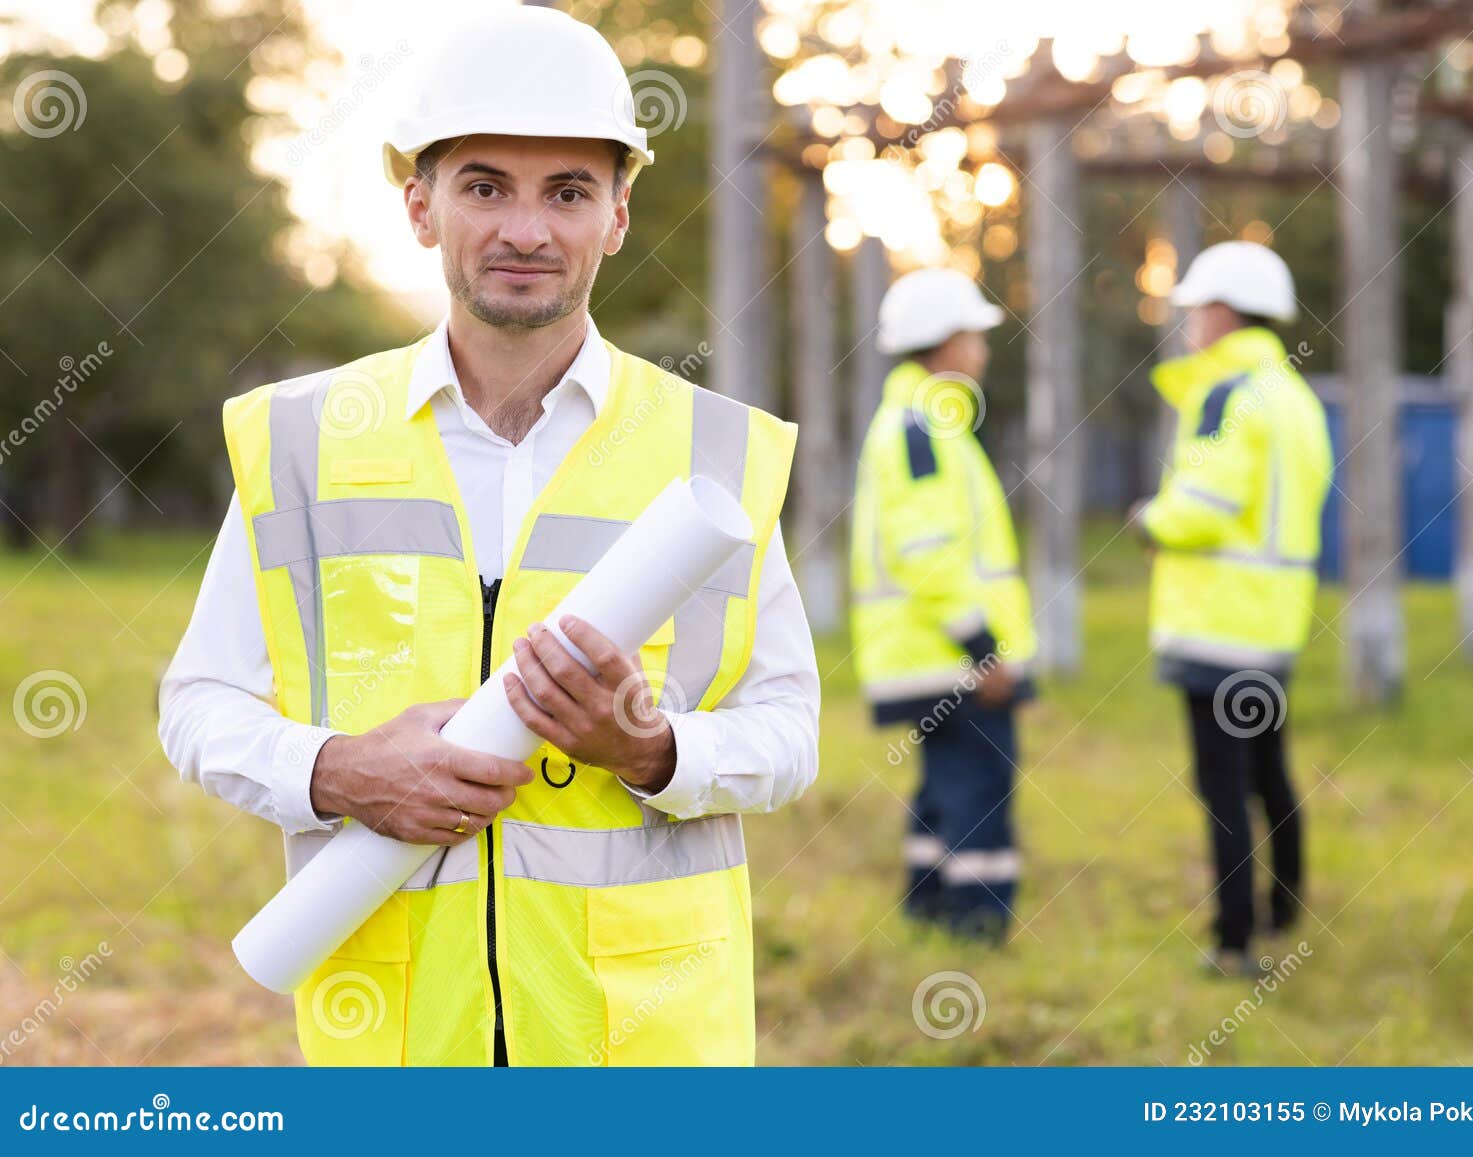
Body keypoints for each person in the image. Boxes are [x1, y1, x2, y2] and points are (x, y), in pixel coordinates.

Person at [158, 7, 819, 1066]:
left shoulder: (715, 456)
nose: (526, 230)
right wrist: (337, 770)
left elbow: (786, 730)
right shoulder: (302, 441)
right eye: (484, 187)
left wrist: (652, 749)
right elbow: (199, 705)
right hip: (403, 1028)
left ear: (616, 213)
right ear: (419, 206)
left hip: (635, 1037)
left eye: (567, 191)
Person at [1134, 240, 1332, 976]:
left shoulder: (1224, 392)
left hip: (1216, 626)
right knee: (1270, 773)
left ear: (1222, 311)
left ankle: (1233, 943)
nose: (1189, 323)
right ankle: (1283, 910)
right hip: (1274, 624)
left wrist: (1148, 520)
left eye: (1194, 309)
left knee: (1222, 789)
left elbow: (1207, 505)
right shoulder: (1296, 397)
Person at [850, 268, 1037, 941]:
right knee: (979, 786)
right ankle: (976, 928)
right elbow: (928, 554)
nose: (982, 352)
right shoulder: (921, 429)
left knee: (943, 788)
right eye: (973, 338)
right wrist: (982, 648)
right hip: (951, 655)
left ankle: (928, 910)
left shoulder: (920, 423)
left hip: (934, 652)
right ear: (945, 344)